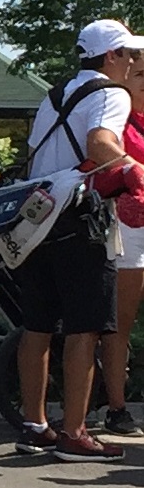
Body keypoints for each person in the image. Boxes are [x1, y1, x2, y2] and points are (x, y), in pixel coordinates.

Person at [12, 18, 139, 463]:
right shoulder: (111, 94)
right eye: (129, 54)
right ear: (112, 58)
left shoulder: (54, 94)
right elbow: (101, 142)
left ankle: (34, 425)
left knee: (38, 324)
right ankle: (75, 432)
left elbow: (36, 154)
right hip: (81, 218)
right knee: (85, 326)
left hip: (37, 217)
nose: (133, 63)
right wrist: (135, 173)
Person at [102, 57, 144, 435]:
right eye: (141, 75)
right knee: (121, 324)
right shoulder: (117, 123)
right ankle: (116, 407)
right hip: (129, 233)